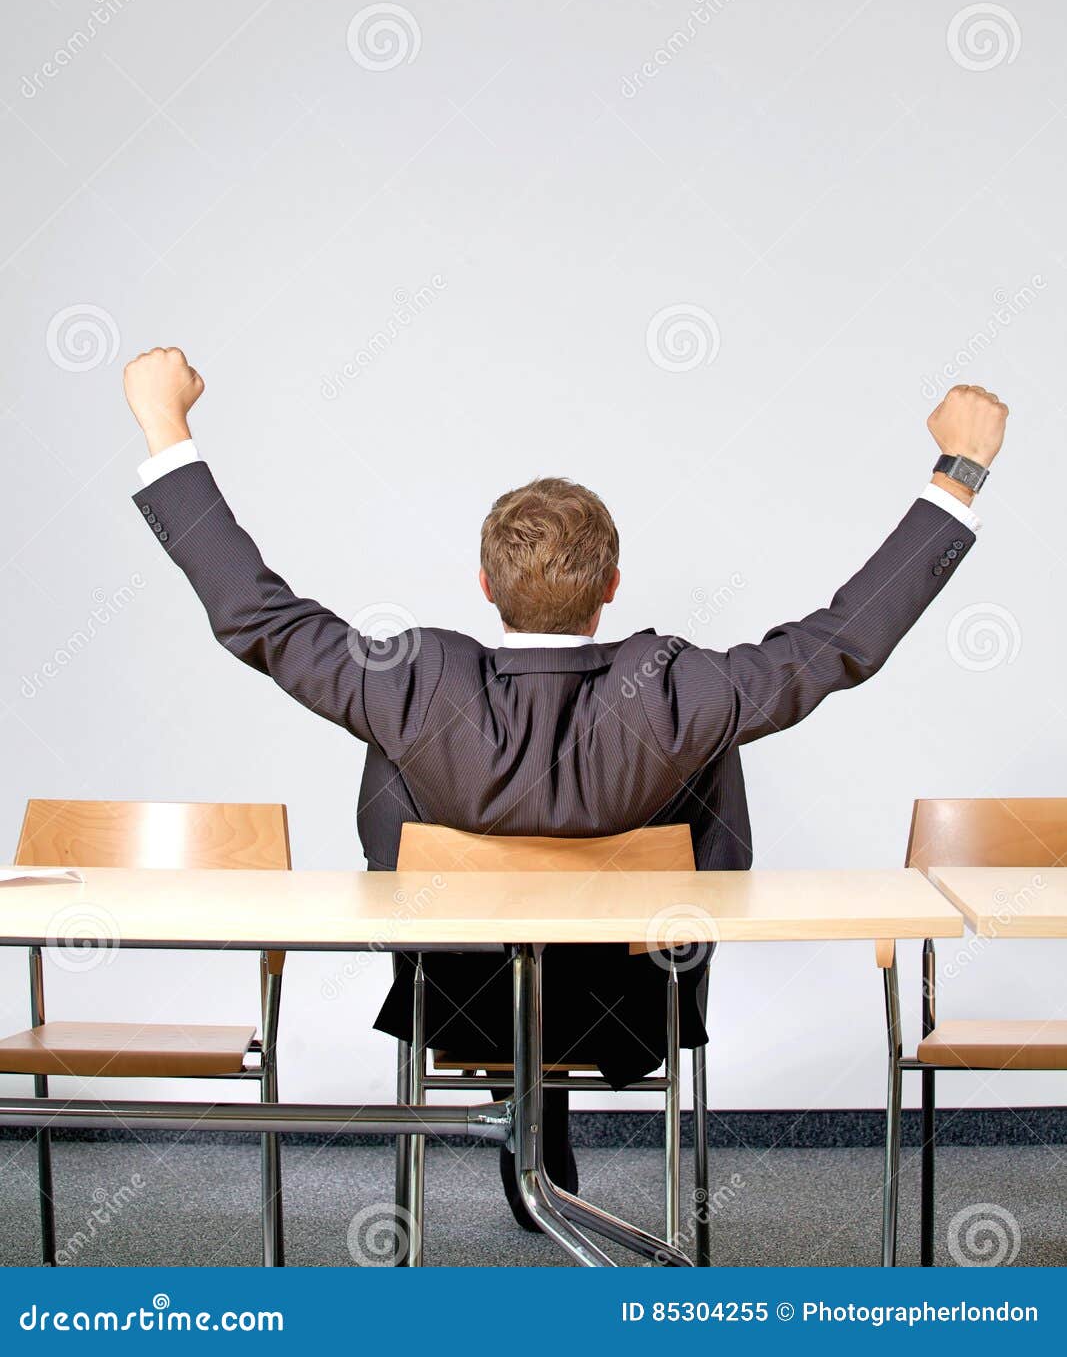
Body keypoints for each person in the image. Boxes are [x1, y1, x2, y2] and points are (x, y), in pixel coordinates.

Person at [122, 347, 1008, 1229]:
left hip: (456, 1006)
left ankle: (522, 1091)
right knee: (710, 742)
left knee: (399, 750)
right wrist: (955, 475)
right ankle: (548, 1106)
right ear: (611, 588)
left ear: (484, 586)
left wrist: (167, 427)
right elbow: (838, 645)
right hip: (634, 1009)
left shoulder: (417, 678)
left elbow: (259, 619)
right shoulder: (672, 686)